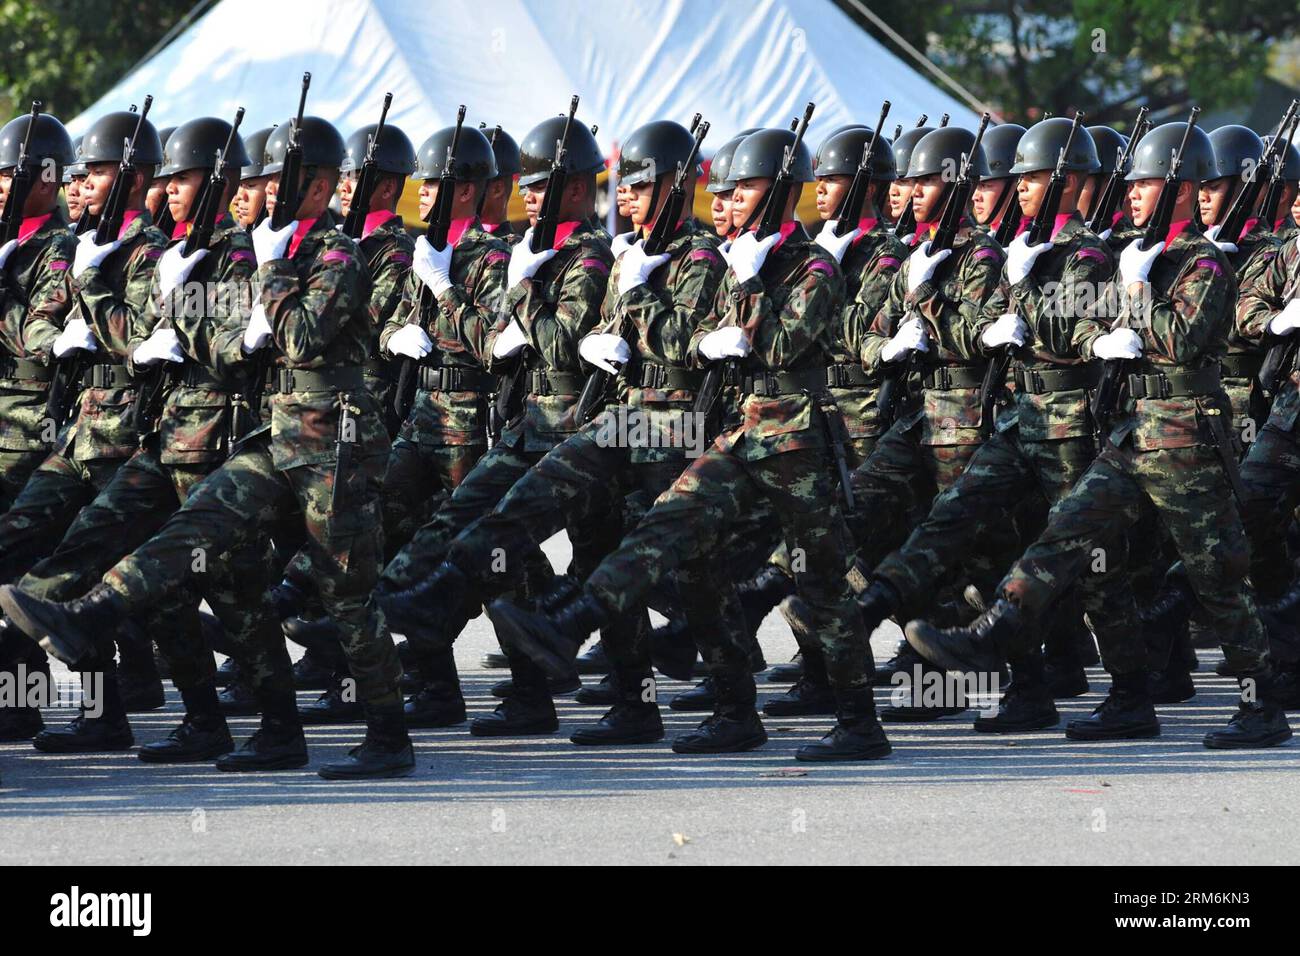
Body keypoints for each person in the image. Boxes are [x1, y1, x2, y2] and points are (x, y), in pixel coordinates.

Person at [1, 114, 417, 779]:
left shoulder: (335, 253)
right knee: (193, 532)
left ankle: (387, 732)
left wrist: (264, 277)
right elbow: (216, 332)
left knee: (343, 594)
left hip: (331, 437)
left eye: (278, 178)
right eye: (263, 177)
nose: (265, 189)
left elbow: (291, 337)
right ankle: (95, 612)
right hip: (261, 433)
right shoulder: (236, 250)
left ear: (317, 186)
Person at [484, 125, 893, 762]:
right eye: (727, 189)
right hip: (731, 430)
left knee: (822, 583)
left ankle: (860, 723)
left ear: (784, 191)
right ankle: (590, 634)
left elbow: (779, 345)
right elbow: (690, 342)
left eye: (746, 187)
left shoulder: (814, 265)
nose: (732, 198)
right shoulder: (725, 260)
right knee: (673, 532)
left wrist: (750, 283)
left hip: (797, 443)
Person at [905, 121, 1293, 750]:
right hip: (1131, 430)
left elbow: (1181, 339)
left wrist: (1136, 288)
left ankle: (1260, 701)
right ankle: (1003, 637)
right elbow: (1080, 323)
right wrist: (1026, 280)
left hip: (1187, 433)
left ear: (1184, 189)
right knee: (1068, 535)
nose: (1134, 193)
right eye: (1133, 183)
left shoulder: (1205, 266)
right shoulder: (1127, 258)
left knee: (1216, 574)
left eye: (1148, 183)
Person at [856, 118, 1127, 732]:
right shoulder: (1008, 251)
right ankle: (876, 609)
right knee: (961, 524)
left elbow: (1055, 329)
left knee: (1089, 564)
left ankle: (1132, 689)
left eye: (1026, 177)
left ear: (1070, 182)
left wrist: (1015, 282)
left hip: (1069, 423)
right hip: (1014, 417)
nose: (1007, 189)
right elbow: (977, 328)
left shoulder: (1086, 255)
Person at [373, 108, 612, 739]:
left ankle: (561, 679)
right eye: (527, 187)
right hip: (502, 419)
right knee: (460, 533)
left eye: (542, 186)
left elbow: (504, 342)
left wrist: (460, 296)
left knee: (543, 552)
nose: (532, 199)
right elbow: (416, 328)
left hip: (552, 423)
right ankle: (418, 639)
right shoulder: (469, 252)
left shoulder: (569, 258)